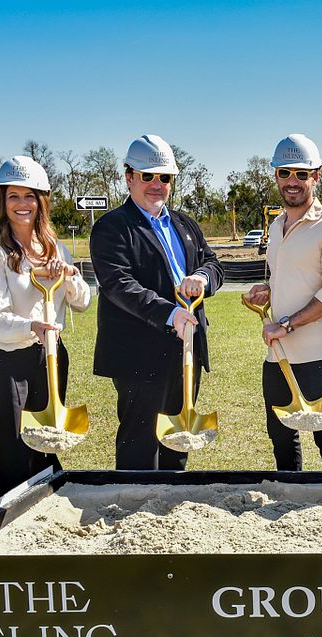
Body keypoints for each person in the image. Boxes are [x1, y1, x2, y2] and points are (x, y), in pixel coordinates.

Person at [90, 134, 224, 470]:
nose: (156, 184)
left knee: (178, 444)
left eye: (164, 177)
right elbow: (118, 284)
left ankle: (171, 510)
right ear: (129, 177)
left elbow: (213, 263)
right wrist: (170, 313)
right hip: (139, 353)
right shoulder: (112, 228)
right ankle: (134, 511)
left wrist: (203, 278)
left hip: (187, 350)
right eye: (147, 176)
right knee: (140, 444)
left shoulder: (184, 224)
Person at [0, 156, 90, 495]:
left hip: (49, 358)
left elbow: (81, 303)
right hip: (6, 363)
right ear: (2, 202)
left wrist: (69, 275)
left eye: (30, 196)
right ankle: (13, 533)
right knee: (15, 458)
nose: (22, 204)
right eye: (13, 196)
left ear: (41, 201)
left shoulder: (56, 247)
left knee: (47, 450)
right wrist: (32, 326)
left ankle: (48, 521)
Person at [244, 134, 322, 470]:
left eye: (301, 174)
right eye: (285, 173)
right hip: (277, 355)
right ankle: (289, 497)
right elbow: (289, 277)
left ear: (316, 176)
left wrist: (287, 324)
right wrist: (268, 289)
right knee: (281, 436)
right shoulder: (276, 226)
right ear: (275, 174)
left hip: (318, 355)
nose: (293, 182)